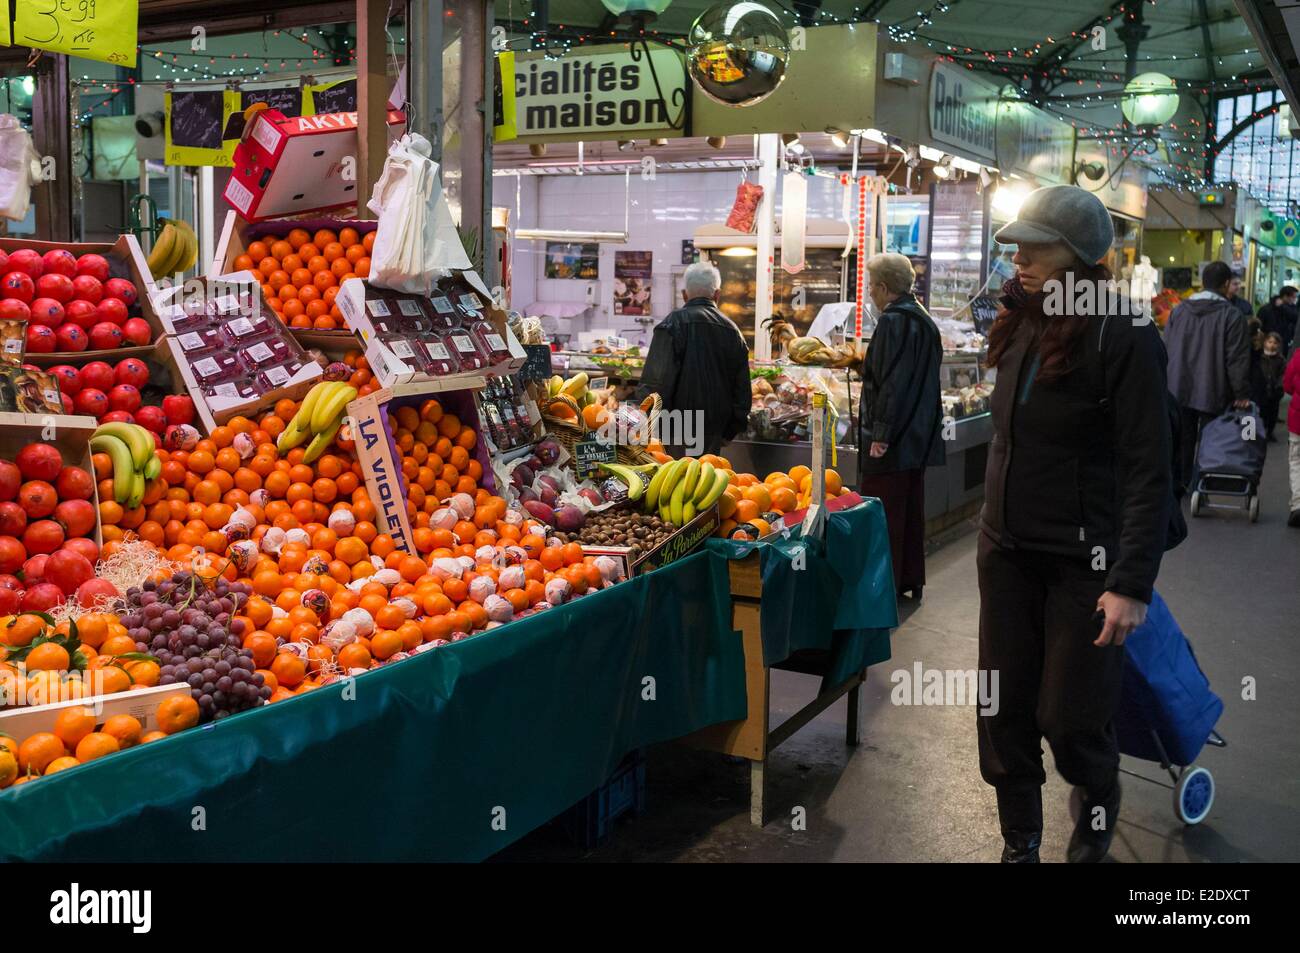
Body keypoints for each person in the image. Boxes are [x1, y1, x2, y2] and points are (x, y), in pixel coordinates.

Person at [978, 185, 1172, 864]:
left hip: (1085, 564)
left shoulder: (1126, 331)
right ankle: (1020, 842)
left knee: (1069, 718)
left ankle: (1097, 795)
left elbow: (1150, 466)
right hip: (1006, 551)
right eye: (1016, 246)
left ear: (1080, 257)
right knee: (1001, 709)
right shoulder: (1021, 319)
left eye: (1036, 248)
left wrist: (1132, 582)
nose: (1019, 258)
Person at [856, 253, 943, 600]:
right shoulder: (923, 318)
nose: (869, 293)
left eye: (871, 286)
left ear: (883, 287)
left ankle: (882, 588)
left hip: (893, 439)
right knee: (909, 510)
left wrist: (881, 434)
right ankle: (909, 578)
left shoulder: (893, 321)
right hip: (918, 435)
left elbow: (891, 383)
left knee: (883, 512)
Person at [635, 261, 750, 458]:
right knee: (706, 476)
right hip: (714, 429)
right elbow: (742, 392)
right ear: (717, 294)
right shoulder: (733, 332)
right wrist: (730, 430)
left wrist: (647, 426)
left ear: (684, 294)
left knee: (673, 476)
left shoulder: (671, 324)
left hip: (674, 430)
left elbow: (655, 383)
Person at [1164, 261, 1251, 493]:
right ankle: (1201, 486)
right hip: (1214, 388)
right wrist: (1241, 392)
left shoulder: (1178, 311)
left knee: (1182, 439)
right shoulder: (1232, 315)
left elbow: (1166, 347)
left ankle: (1181, 484)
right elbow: (1237, 359)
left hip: (1177, 387)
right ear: (1226, 284)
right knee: (1211, 441)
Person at [1251, 332, 1287, 441]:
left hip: (1275, 391)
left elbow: (1283, 374)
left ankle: (1270, 431)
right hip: (1262, 391)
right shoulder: (1260, 357)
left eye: (1275, 343)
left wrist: (1279, 386)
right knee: (1262, 412)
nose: (1272, 345)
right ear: (1265, 342)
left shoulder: (1280, 359)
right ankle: (1262, 430)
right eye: (1269, 342)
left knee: (1273, 413)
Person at [1284, 346, 1300, 527]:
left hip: (1297, 420)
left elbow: (1287, 385)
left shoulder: (1297, 357)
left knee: (1296, 461)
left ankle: (1297, 503)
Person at [1259, 285, 1299, 349]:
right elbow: (1260, 325)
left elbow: (1295, 318)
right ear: (1285, 296)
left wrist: (1282, 306)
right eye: (1293, 297)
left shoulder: (1292, 308)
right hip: (1269, 341)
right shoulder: (1266, 309)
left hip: (1286, 342)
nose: (1295, 300)